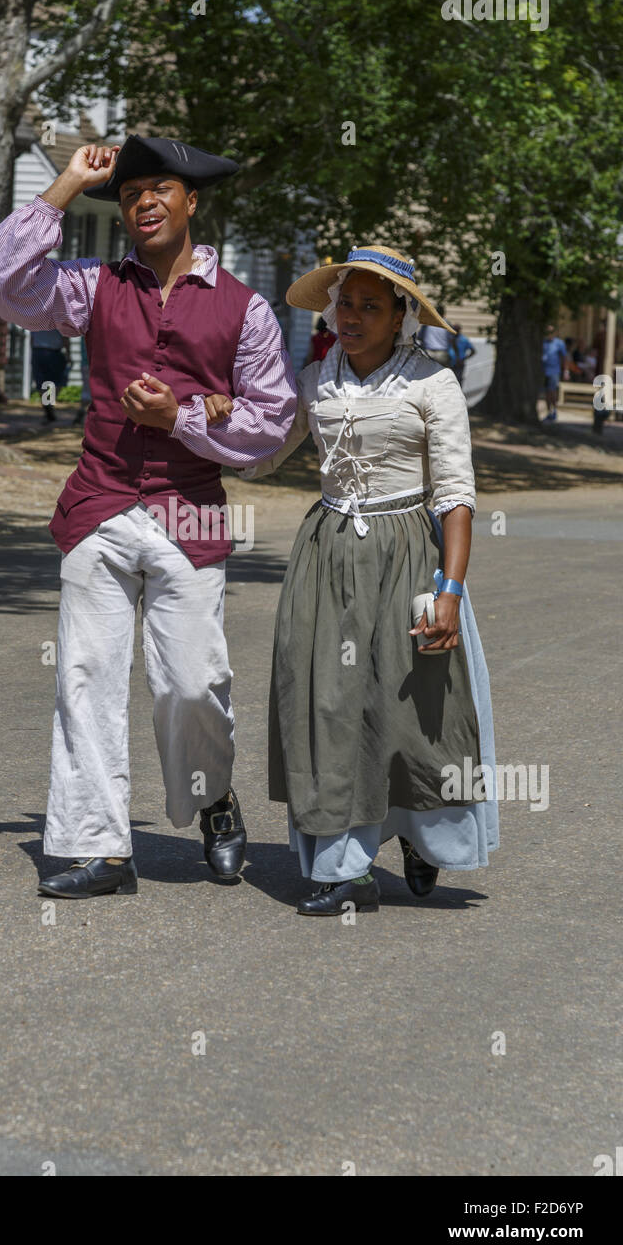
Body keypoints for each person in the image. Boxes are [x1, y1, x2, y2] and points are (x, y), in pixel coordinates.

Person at [0, 135, 297, 899]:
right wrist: (64, 187)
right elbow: (5, 284)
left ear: (192, 202)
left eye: (159, 190)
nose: (143, 203)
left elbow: (271, 423)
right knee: (85, 677)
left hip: (190, 514)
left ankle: (214, 797)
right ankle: (101, 849)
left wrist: (184, 418)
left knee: (190, 683)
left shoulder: (245, 308)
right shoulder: (94, 286)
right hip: (100, 503)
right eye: (129, 194)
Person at [240, 245, 498, 916]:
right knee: (326, 703)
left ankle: (417, 834)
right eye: (345, 303)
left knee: (410, 709)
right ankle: (343, 868)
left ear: (401, 317)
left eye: (370, 306)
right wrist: (204, 421)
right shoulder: (312, 380)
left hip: (408, 553)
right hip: (326, 555)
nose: (351, 316)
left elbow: (456, 496)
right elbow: (264, 457)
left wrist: (450, 589)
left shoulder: (431, 385)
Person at [30, 328, 70, 423]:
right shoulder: (59, 315)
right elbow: (65, 337)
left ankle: (47, 406)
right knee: (56, 381)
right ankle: (49, 405)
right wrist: (68, 353)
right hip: (54, 352)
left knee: (41, 382)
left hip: (37, 351)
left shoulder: (34, 316)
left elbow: (31, 338)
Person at [542, 328, 567, 421]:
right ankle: (549, 412)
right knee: (547, 392)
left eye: (551, 332)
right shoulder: (544, 343)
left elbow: (564, 357)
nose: (550, 334)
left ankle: (555, 411)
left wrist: (565, 371)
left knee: (552, 391)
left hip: (554, 371)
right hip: (544, 370)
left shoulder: (559, 343)